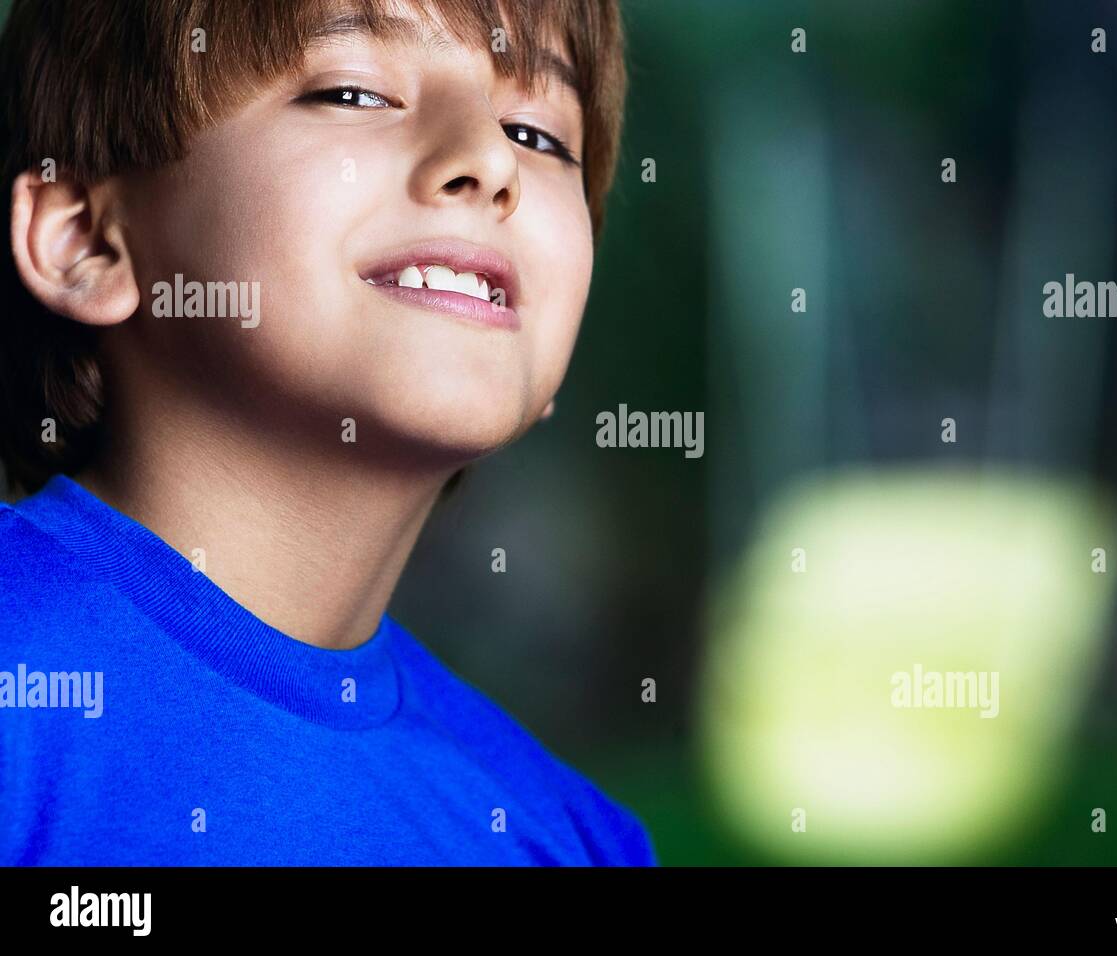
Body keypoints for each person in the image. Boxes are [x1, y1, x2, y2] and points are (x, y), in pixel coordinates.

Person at [0, 0, 654, 866]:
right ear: (85, 240)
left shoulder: (577, 842)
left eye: (537, 136)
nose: (492, 161)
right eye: (354, 93)